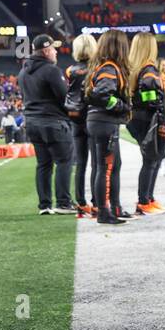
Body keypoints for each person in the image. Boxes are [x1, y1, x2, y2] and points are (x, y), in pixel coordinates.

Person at [18, 35, 78, 215]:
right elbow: (64, 98)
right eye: (53, 48)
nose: (56, 51)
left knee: (43, 164)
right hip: (54, 123)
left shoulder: (23, 71)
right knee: (64, 161)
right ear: (45, 51)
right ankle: (63, 202)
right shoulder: (51, 70)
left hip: (33, 123)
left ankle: (44, 204)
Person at [85, 30, 133, 224]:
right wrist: (122, 106)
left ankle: (114, 207)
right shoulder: (109, 68)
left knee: (111, 166)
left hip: (101, 121)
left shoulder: (104, 67)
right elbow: (102, 95)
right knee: (106, 168)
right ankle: (105, 212)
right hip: (104, 122)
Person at [126, 31, 165, 216]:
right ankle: (144, 201)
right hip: (148, 119)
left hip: (137, 118)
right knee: (151, 159)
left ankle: (148, 198)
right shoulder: (149, 70)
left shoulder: (134, 68)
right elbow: (149, 95)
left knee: (153, 159)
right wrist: (160, 113)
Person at [66, 34, 96, 216]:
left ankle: (80, 202)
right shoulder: (97, 69)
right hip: (92, 116)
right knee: (97, 163)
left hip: (76, 119)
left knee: (81, 164)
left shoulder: (70, 71)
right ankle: (96, 200)